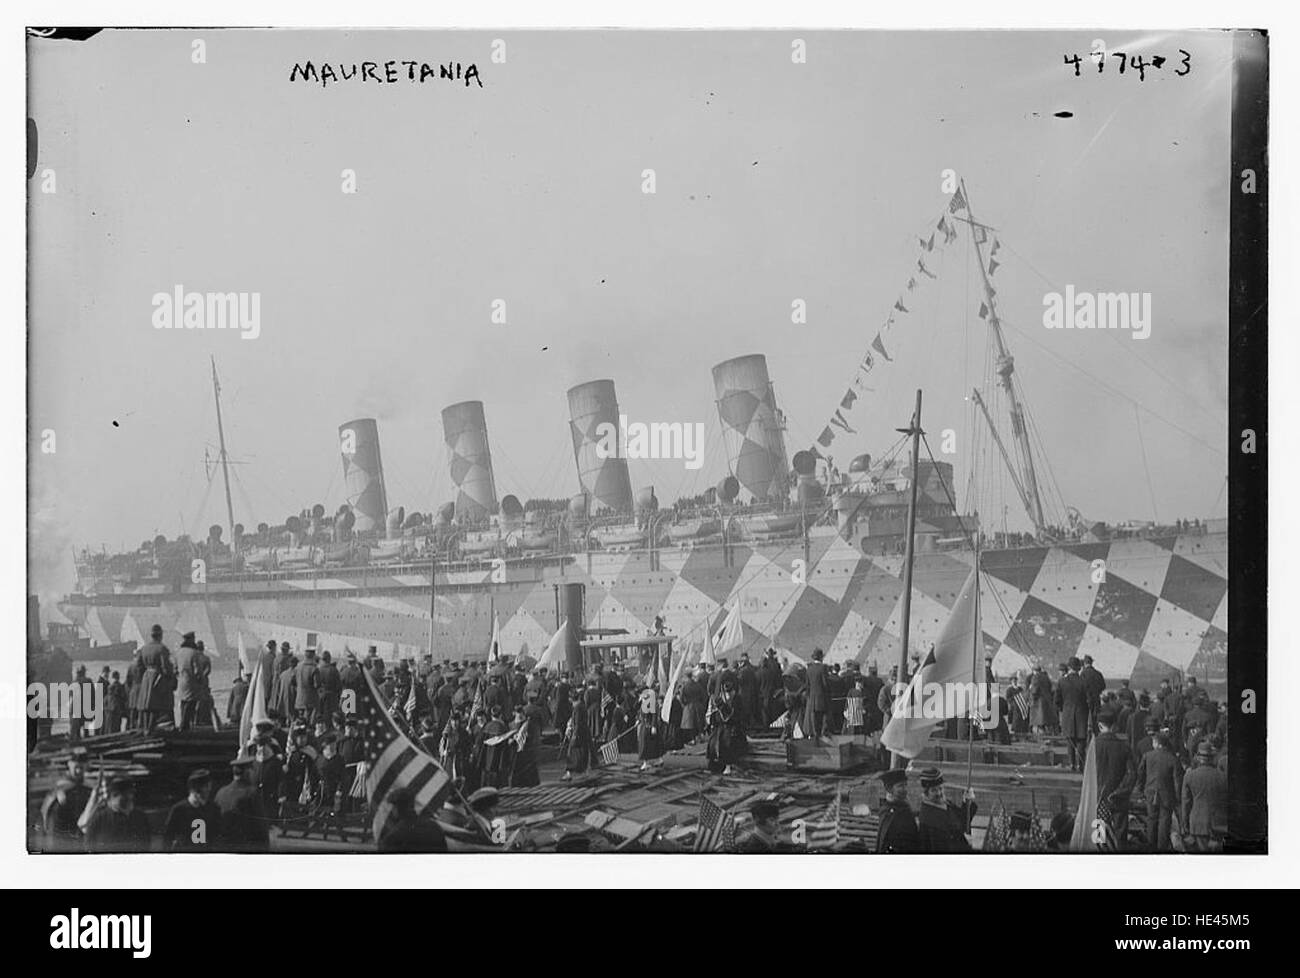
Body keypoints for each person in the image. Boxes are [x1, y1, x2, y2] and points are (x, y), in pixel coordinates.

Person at [1136, 732, 1183, 853]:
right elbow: (1177, 780)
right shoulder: (1173, 759)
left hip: (1150, 792)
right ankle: (1161, 847)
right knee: (1165, 820)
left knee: (1151, 819)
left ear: (1157, 743)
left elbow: (1140, 774)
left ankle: (1150, 845)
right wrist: (1178, 798)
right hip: (1167, 794)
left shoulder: (1147, 756)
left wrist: (1140, 790)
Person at [41, 747, 93, 852]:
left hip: (81, 838)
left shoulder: (88, 788)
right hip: (61, 837)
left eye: (81, 768)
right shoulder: (60, 788)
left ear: (86, 766)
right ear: (69, 764)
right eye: (76, 767)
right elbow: (46, 814)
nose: (78, 771)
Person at [214, 755, 270, 852]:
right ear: (247, 772)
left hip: (223, 846)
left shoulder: (221, 792)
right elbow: (261, 827)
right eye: (253, 770)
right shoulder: (252, 793)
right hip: (245, 847)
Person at [82, 778, 152, 852]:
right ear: (111, 797)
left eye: (128, 793)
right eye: (117, 794)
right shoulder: (99, 818)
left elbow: (146, 844)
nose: (124, 798)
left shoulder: (140, 818)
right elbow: (89, 845)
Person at [915, 768, 977, 852]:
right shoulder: (928, 819)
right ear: (926, 793)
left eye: (940, 788)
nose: (939, 793)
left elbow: (961, 820)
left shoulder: (945, 803)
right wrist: (963, 843)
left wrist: (967, 802)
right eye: (934, 790)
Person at [1181, 740, 1227, 852]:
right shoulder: (1223, 777)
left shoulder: (1189, 776)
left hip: (1197, 824)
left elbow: (1185, 804)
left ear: (1197, 757)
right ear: (1212, 757)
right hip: (1218, 825)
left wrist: (1185, 826)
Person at [163, 768, 222, 851]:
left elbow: (217, 837)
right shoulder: (179, 810)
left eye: (209, 786)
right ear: (194, 789)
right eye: (205, 786)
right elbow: (167, 838)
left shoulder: (213, 808)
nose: (209, 789)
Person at [136, 624, 176, 731]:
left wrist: (144, 677)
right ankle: (151, 729)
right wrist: (170, 677)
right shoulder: (162, 649)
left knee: (146, 705)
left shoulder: (144, 648)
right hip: (157, 678)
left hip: (146, 677)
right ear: (160, 635)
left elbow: (138, 666)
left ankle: (145, 728)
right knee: (156, 705)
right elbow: (166, 668)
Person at [706, 676, 747, 775]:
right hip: (720, 727)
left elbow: (736, 715)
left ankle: (728, 765)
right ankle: (715, 765)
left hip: (733, 727)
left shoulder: (737, 698)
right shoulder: (720, 698)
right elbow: (715, 714)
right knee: (712, 742)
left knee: (727, 742)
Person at [1056, 657, 1089, 771]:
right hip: (1082, 714)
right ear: (1079, 668)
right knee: (1081, 740)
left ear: (1069, 667)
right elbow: (1088, 699)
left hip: (1067, 713)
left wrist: (1063, 708)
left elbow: (1057, 700)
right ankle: (1081, 764)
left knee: (1070, 740)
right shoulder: (1084, 681)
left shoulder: (1062, 681)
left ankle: (1072, 764)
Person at [875, 768, 920, 854]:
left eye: (905, 785)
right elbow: (884, 843)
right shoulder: (888, 813)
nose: (905, 789)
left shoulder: (905, 807)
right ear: (889, 789)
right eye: (900, 786)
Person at [175, 631, 207, 731]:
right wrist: (201, 682)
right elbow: (197, 671)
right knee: (191, 704)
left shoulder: (178, 652)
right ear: (191, 640)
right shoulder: (194, 653)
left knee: (183, 703)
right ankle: (185, 727)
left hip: (181, 682)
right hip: (191, 683)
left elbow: (175, 669)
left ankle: (182, 724)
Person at [803, 648, 831, 743]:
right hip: (822, 698)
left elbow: (807, 685)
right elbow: (825, 684)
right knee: (823, 719)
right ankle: (821, 737)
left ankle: (815, 737)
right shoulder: (823, 668)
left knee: (814, 720)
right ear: (821, 657)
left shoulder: (809, 669)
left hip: (812, 699)